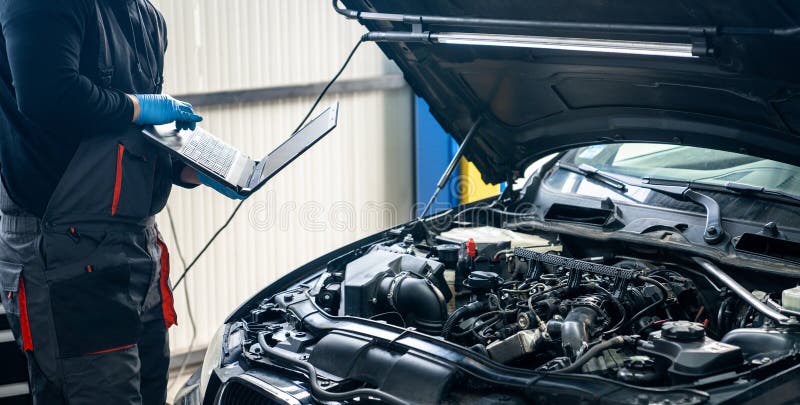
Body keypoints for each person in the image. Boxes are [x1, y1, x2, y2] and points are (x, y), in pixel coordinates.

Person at [0, 0, 240, 403]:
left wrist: (188, 168)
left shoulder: (146, 18)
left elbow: (131, 133)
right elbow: (48, 93)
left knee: (148, 393)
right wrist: (141, 105)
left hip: (135, 248)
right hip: (65, 253)